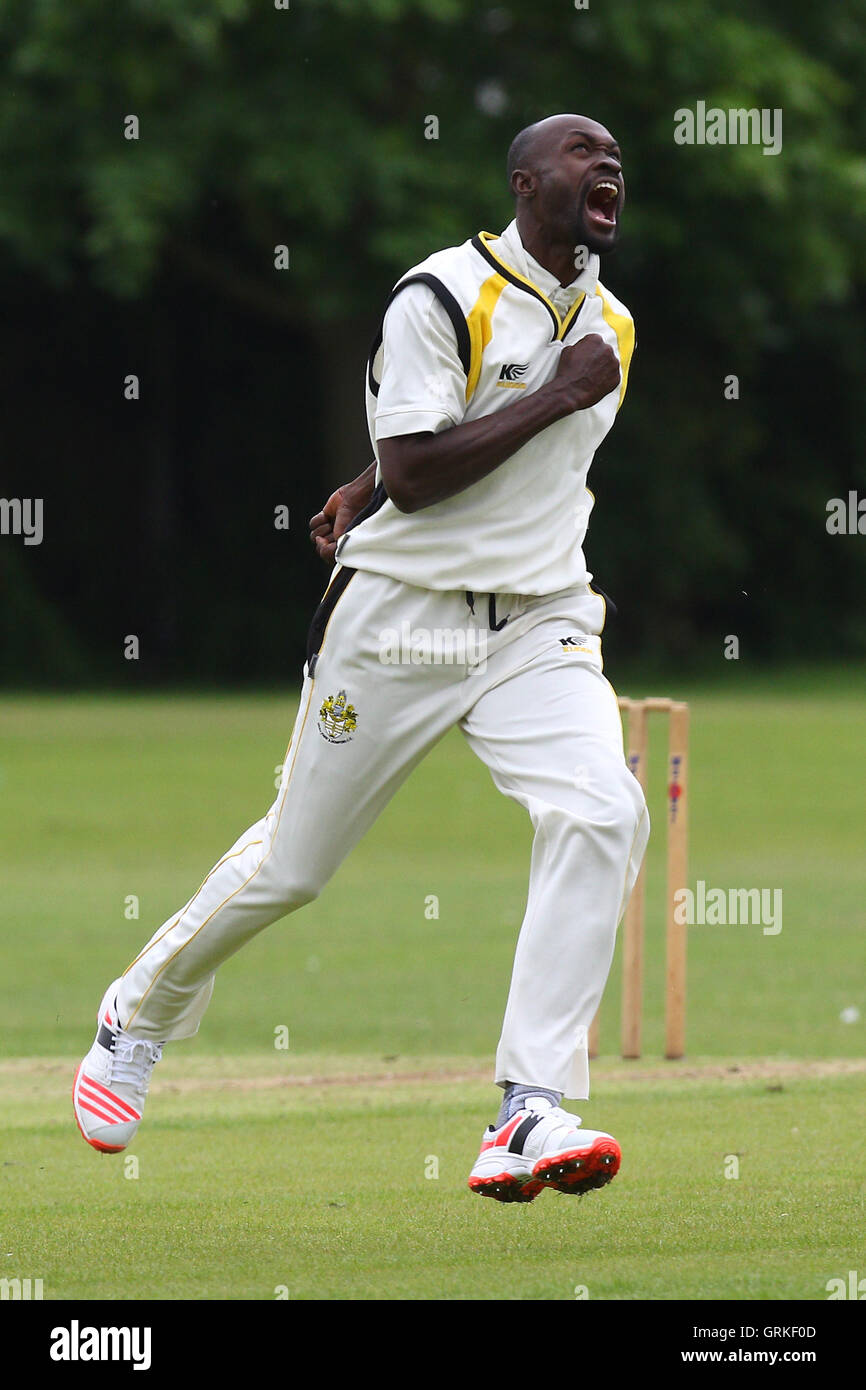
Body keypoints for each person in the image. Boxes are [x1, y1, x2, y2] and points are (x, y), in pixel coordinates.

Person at [73, 112, 649, 1203]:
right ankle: (136, 1008)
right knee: (294, 865)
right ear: (524, 184)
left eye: (614, 159)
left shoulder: (611, 326)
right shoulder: (435, 294)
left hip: (539, 619)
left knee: (603, 812)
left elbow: (482, 466)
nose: (604, 166)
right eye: (580, 155)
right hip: (398, 620)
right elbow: (426, 466)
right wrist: (441, 451)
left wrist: (367, 480)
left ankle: (525, 1109)